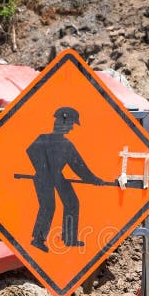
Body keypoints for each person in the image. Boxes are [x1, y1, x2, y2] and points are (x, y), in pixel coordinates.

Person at [26, 106, 108, 252]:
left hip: (57, 175)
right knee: (48, 206)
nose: (71, 128)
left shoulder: (67, 145)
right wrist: (43, 169)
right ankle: (38, 239)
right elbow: (31, 151)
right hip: (43, 176)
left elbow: (79, 166)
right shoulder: (42, 139)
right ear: (61, 122)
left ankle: (69, 238)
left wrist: (94, 179)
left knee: (72, 203)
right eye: (70, 124)